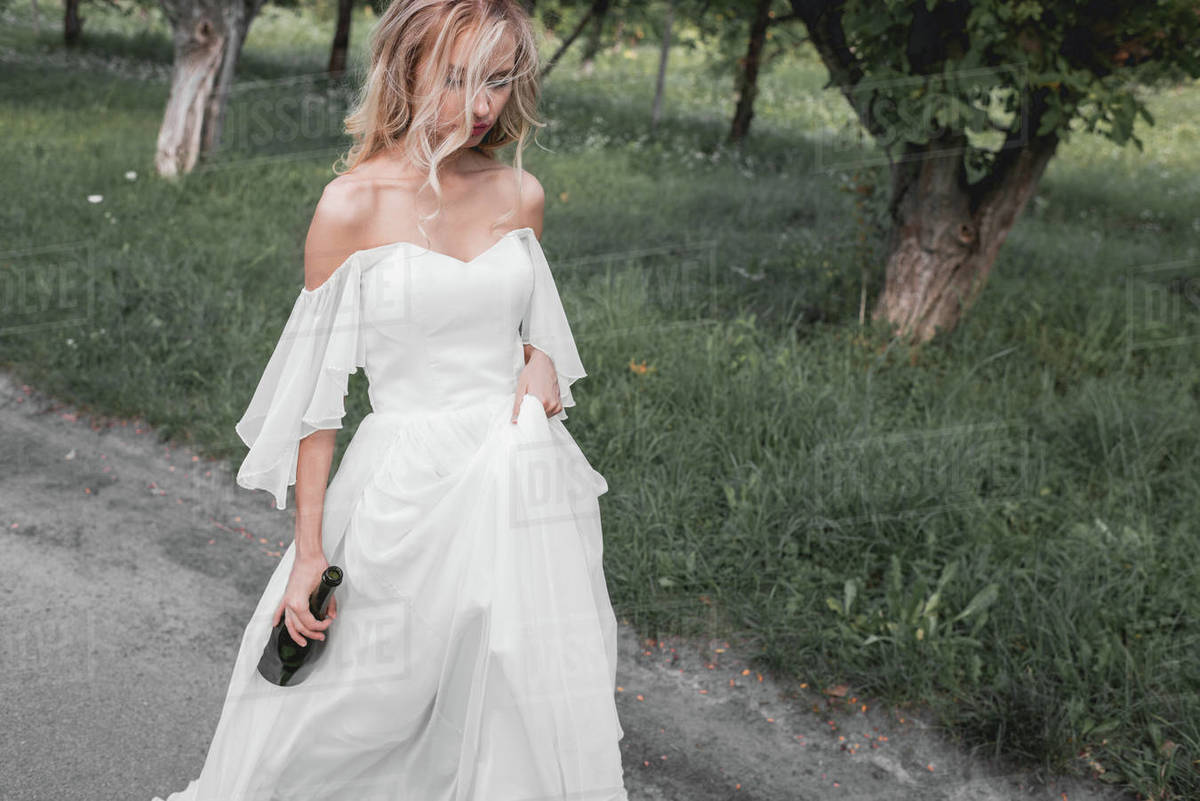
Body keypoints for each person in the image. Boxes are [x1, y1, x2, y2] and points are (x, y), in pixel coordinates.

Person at [149, 1, 629, 798]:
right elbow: (316, 404)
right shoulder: (352, 206)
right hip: (401, 489)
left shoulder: (521, 193)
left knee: (516, 700)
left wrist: (537, 359)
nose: (485, 108)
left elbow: (523, 324)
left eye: (502, 83)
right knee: (351, 706)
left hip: (516, 482)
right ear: (407, 70)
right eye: (462, 81)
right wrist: (309, 553)